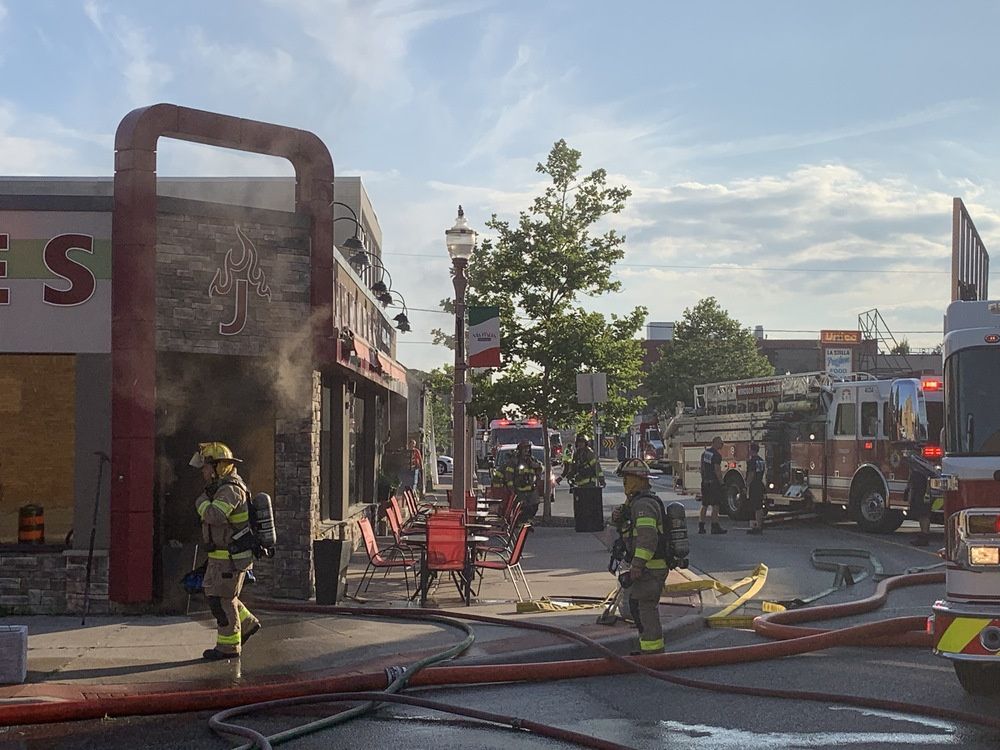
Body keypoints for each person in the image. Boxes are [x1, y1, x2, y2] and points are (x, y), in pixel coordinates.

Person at [190, 441, 261, 661]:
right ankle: (247, 624)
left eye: (206, 467)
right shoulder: (220, 489)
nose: (203, 471)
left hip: (230, 558)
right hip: (219, 557)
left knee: (223, 601)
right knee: (215, 595)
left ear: (218, 467)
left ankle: (229, 647)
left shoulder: (231, 490)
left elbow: (213, 515)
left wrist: (200, 501)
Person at [611, 458, 669, 655]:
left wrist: (637, 565)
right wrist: (620, 517)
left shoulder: (643, 505)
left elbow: (647, 539)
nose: (625, 484)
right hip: (648, 567)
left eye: (626, 479)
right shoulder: (636, 503)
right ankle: (648, 648)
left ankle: (653, 653)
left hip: (651, 568)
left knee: (645, 608)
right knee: (638, 606)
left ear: (636, 480)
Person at [505, 439, 543, 523]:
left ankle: (528, 522)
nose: (526, 450)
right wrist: (511, 488)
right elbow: (509, 475)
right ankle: (520, 523)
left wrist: (536, 466)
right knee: (522, 508)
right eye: (524, 448)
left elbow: (541, 468)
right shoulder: (514, 461)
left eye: (528, 448)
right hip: (519, 490)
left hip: (531, 489)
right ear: (520, 450)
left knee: (534, 505)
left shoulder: (532, 460)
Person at [699, 436, 727, 534]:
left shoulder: (705, 454)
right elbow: (717, 470)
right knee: (716, 505)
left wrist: (703, 479)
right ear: (714, 443)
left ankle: (701, 526)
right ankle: (715, 526)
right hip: (714, 483)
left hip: (705, 482)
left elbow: (702, 468)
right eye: (720, 443)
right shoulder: (716, 455)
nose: (722, 444)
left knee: (705, 505)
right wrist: (722, 483)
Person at [905, 452, 933, 547]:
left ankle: (924, 536)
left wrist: (927, 494)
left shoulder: (923, 471)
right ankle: (923, 535)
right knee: (921, 515)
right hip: (919, 493)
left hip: (922, 493)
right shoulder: (918, 470)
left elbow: (925, 482)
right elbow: (911, 480)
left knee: (923, 514)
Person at [746, 442, 766, 535]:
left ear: (751, 450)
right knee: (759, 506)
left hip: (754, 485)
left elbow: (751, 474)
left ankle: (756, 527)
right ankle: (759, 525)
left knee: (754, 506)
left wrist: (747, 485)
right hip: (760, 483)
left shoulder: (752, 461)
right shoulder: (761, 461)